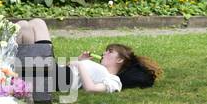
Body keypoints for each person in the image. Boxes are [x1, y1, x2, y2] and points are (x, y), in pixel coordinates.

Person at [14, 18, 160, 93]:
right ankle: (8, 66)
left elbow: (90, 89)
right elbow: (69, 70)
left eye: (110, 51)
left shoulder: (114, 80)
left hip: (52, 78)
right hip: (53, 72)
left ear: (120, 59)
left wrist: (79, 65)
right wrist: (80, 61)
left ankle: (6, 65)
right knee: (26, 25)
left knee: (32, 25)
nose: (104, 53)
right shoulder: (97, 68)